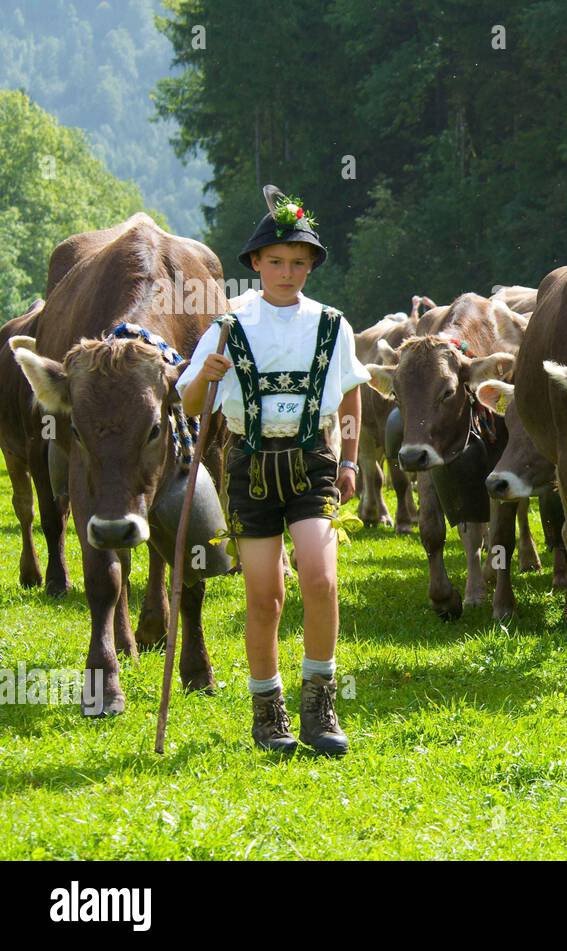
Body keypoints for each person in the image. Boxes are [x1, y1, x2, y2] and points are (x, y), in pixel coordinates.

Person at [178, 186, 370, 753]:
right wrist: (204, 376)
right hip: (251, 465)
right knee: (264, 596)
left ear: (311, 266)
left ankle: (321, 709)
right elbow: (191, 407)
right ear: (256, 263)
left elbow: (351, 393)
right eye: (277, 262)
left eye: (299, 263)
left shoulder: (331, 324)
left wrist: (352, 458)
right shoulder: (228, 325)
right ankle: (268, 712)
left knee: (320, 576)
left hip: (313, 461)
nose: (287, 273)